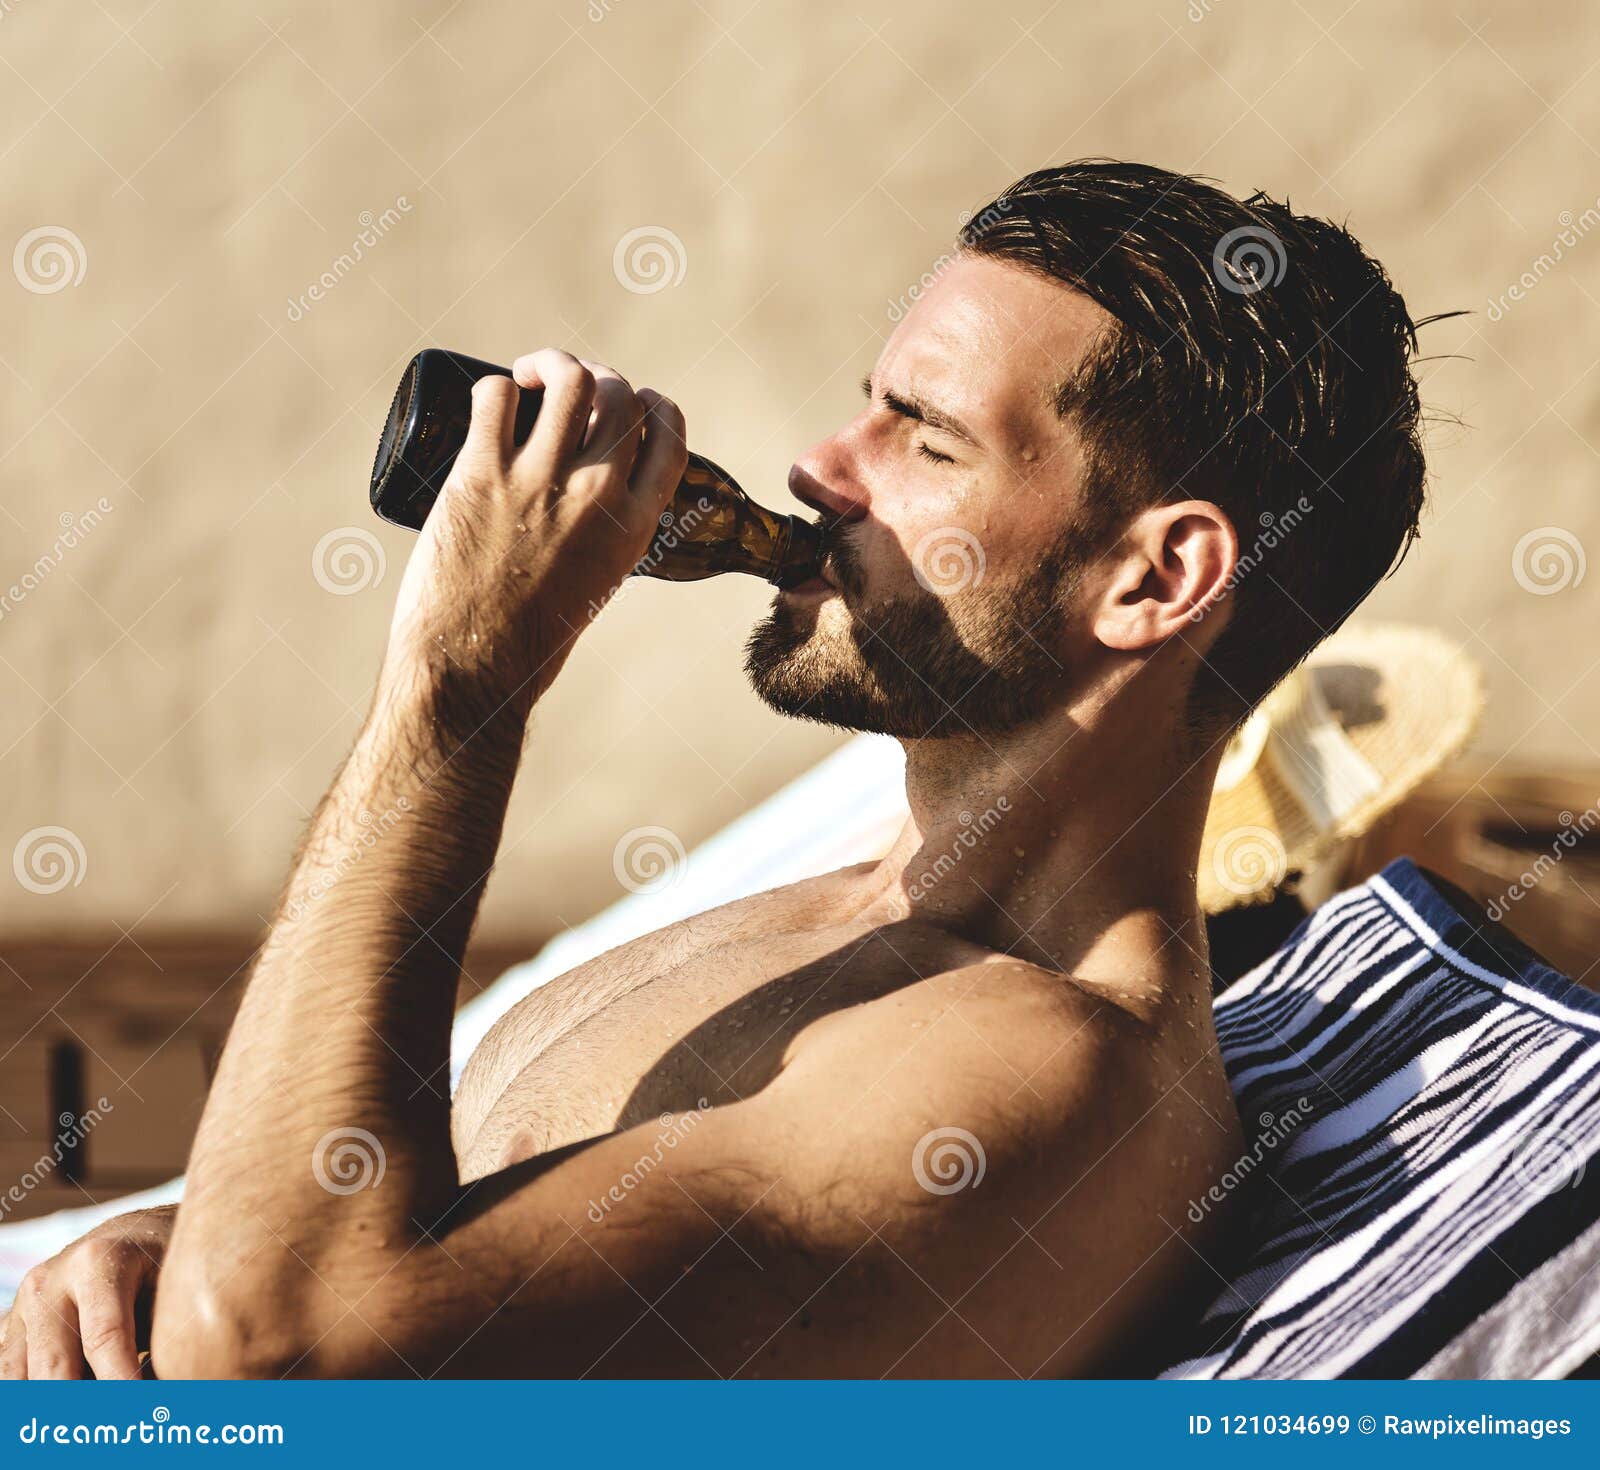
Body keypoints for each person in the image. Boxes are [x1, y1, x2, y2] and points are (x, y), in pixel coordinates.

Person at [0, 159, 1440, 1379]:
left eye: (923, 438)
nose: (823, 463)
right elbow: (350, 1270)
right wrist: (172, 1251)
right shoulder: (849, 917)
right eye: (862, 403)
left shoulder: (1037, 1072)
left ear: (1156, 576)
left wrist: (458, 687)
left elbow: (288, 1359)